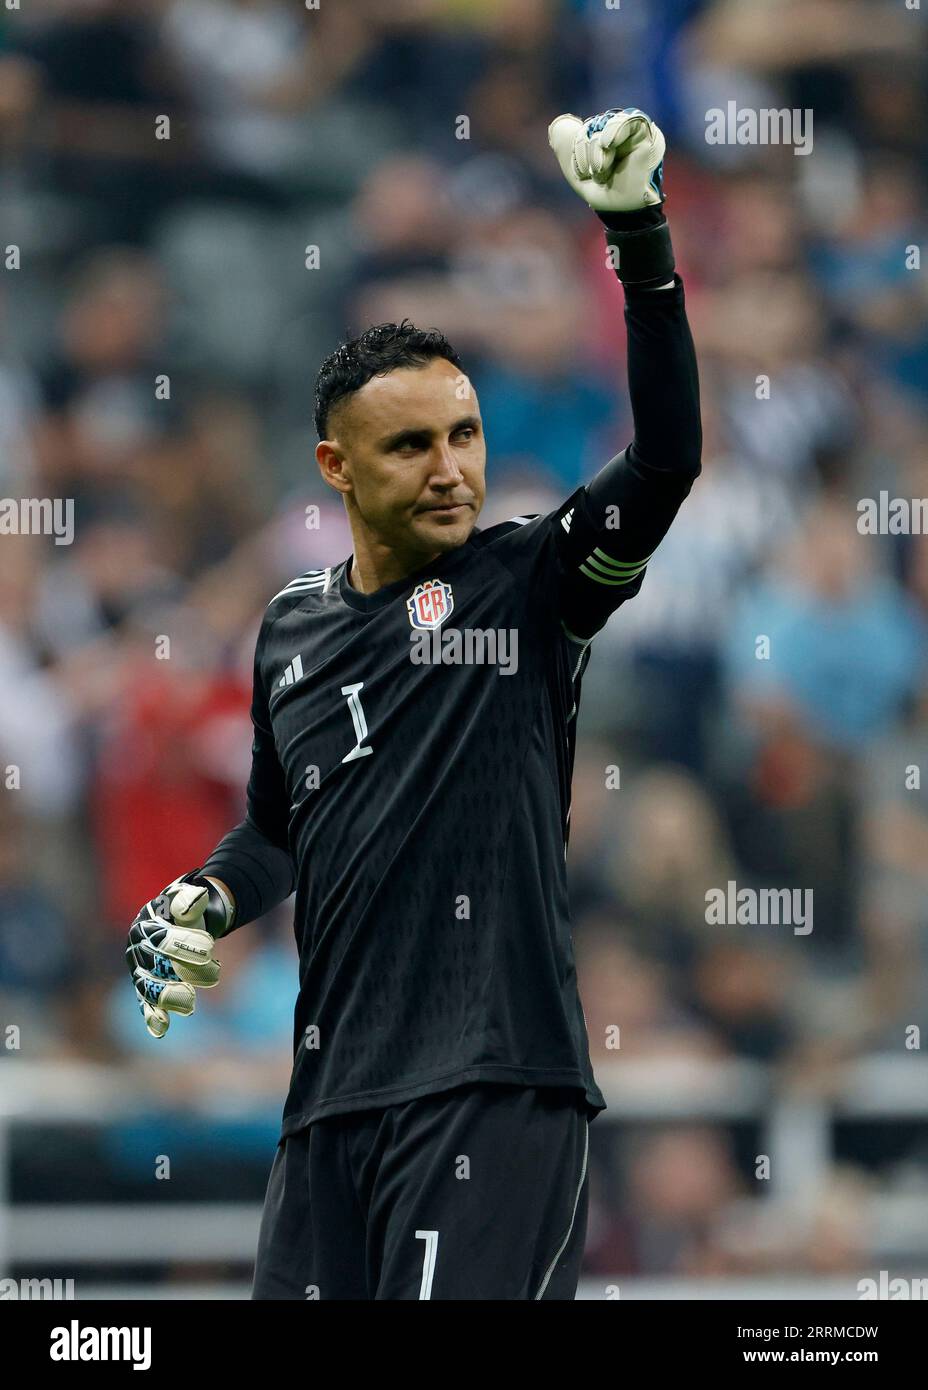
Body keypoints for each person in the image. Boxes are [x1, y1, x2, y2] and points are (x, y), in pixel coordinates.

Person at [125, 108, 701, 1300]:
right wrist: (202, 896)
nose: (451, 468)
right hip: (330, 1105)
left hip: (492, 1091)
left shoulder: (530, 582)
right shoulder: (289, 627)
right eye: (412, 447)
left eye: (467, 436)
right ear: (337, 467)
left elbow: (666, 460)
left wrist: (637, 237)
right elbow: (282, 830)